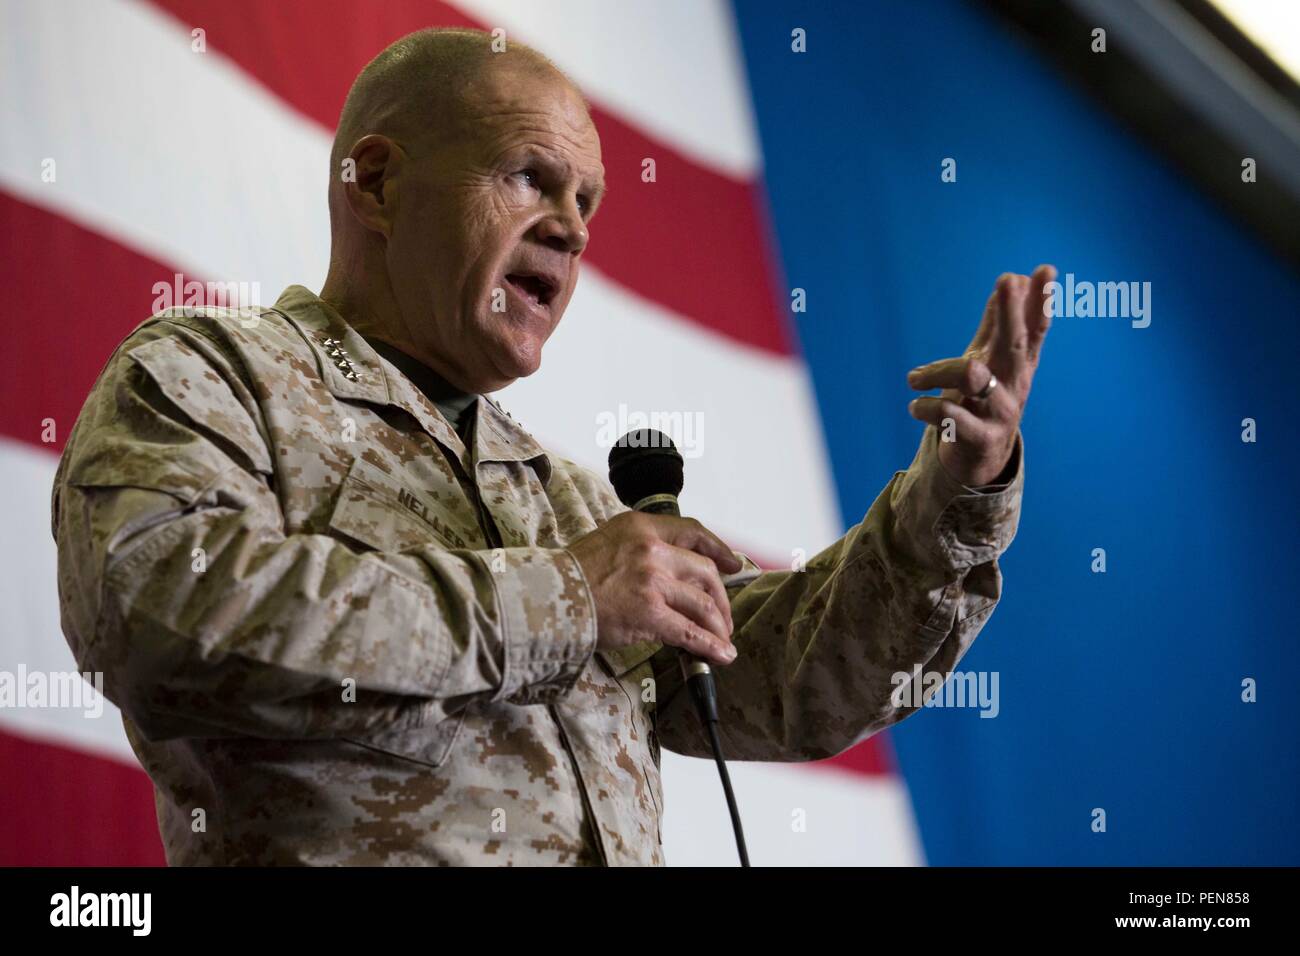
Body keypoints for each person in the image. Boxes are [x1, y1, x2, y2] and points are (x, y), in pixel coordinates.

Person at [51, 27, 1053, 865]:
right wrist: (568, 599)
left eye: (587, 202)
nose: (571, 231)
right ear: (375, 181)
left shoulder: (569, 504)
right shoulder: (214, 376)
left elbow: (794, 677)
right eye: (530, 177)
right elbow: (162, 616)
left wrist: (955, 493)